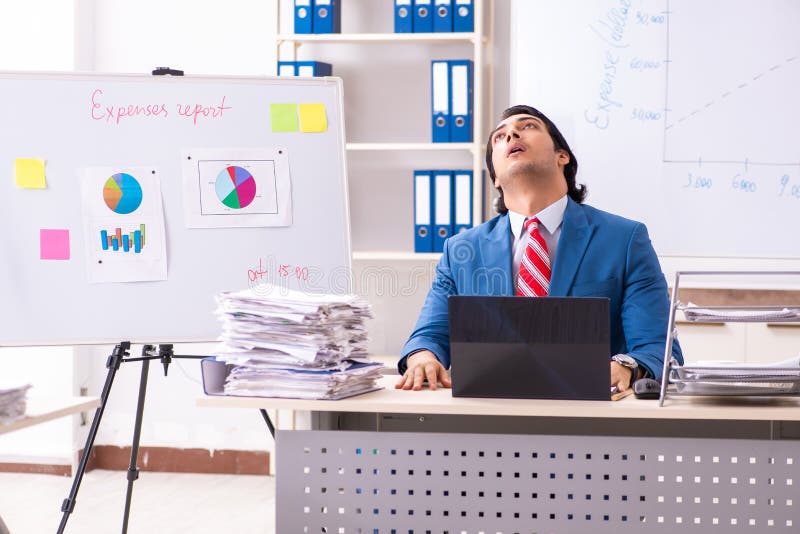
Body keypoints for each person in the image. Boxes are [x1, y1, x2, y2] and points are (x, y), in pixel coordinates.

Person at [395, 104, 683, 392]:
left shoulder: (625, 240)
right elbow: (429, 335)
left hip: (591, 418)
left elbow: (658, 347)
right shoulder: (460, 250)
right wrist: (423, 357)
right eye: (499, 136)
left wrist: (626, 366)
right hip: (489, 416)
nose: (511, 135)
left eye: (528, 126)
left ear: (563, 156)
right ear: (495, 176)